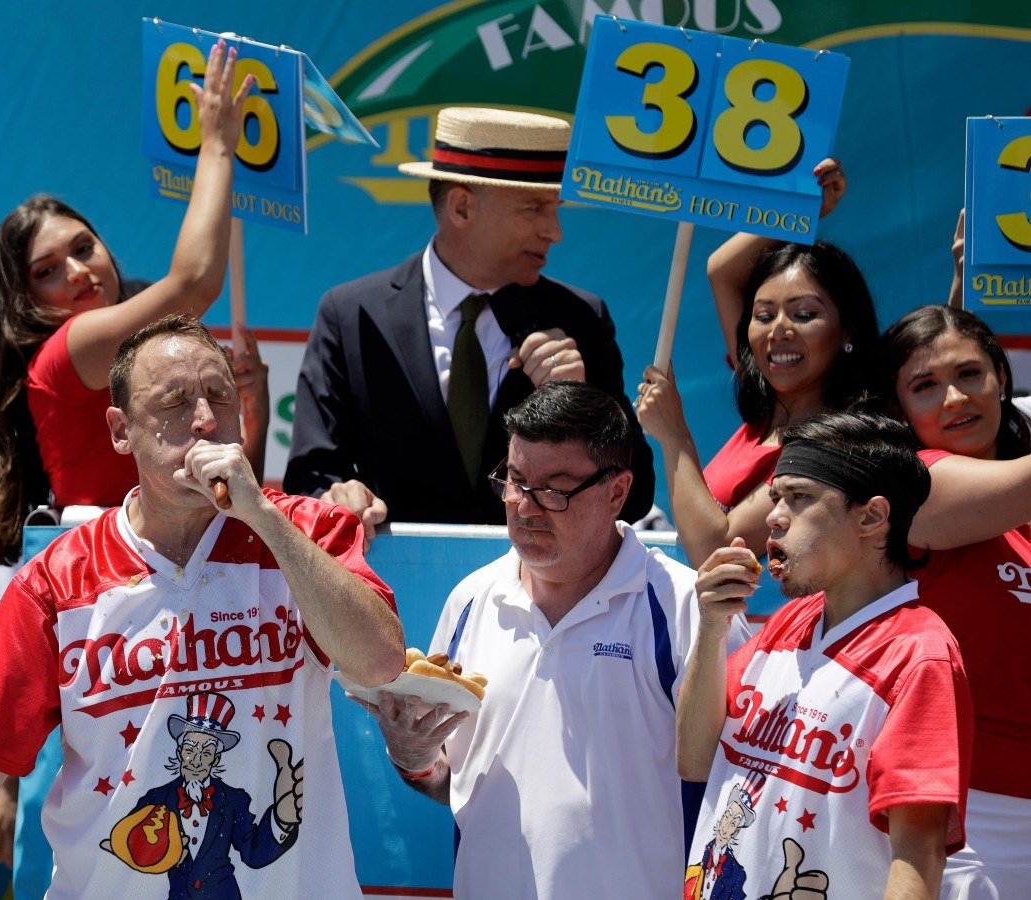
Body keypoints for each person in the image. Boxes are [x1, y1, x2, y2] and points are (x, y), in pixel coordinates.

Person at [0, 316, 404, 899]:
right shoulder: (57, 581)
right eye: (173, 402)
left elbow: (379, 662)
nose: (204, 419)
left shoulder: (306, 531)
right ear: (121, 430)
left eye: (220, 396)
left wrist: (264, 518)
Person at [356, 381, 747, 898]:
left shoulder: (686, 609)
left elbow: (740, 790)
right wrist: (414, 757)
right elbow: (458, 783)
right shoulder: (470, 599)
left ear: (617, 492)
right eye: (515, 481)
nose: (525, 507)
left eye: (554, 490)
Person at [0, 38, 268, 568]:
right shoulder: (66, 349)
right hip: (107, 583)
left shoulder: (140, 352)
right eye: (47, 271)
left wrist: (252, 420)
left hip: (190, 579)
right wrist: (219, 144)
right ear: (24, 300)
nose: (77, 272)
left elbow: (228, 510)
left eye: (84, 248)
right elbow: (195, 283)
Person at [285, 107, 655, 536]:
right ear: (462, 207)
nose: (554, 232)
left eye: (555, 209)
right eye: (534, 209)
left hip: (537, 580)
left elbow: (634, 497)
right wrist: (339, 498)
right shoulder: (352, 314)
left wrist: (582, 406)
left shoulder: (581, 319)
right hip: (389, 578)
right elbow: (310, 480)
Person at [677, 412, 971, 900]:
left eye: (799, 497)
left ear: (871, 518)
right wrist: (711, 628)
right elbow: (692, 761)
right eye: (776, 497)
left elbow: (919, 856)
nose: (774, 517)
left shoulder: (920, 654)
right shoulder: (789, 622)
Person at [636, 160, 881, 565]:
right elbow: (722, 270)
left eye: (804, 314)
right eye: (764, 316)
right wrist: (802, 207)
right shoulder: (770, 398)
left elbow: (716, 550)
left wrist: (673, 434)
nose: (778, 331)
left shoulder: (835, 442)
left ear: (847, 331)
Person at [876, 305, 1031, 898]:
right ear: (899, 410)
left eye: (969, 374)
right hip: (971, 818)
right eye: (925, 386)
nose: (955, 398)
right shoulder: (915, 485)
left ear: (1001, 377)